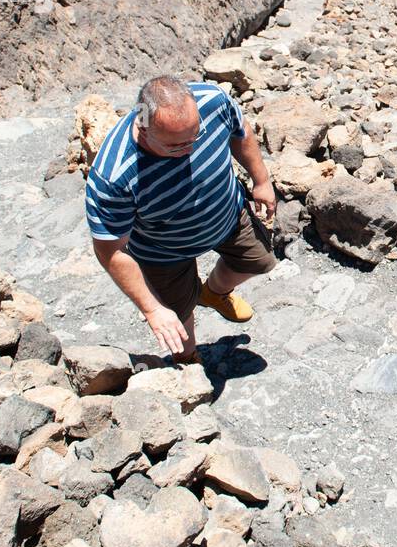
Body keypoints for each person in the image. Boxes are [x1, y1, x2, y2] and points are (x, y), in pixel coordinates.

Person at [85, 76, 277, 365]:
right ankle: (189, 360)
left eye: (195, 137)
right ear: (143, 127)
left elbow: (240, 131)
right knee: (177, 320)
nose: (189, 150)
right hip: (164, 253)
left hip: (227, 215)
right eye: (175, 147)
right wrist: (153, 310)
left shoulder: (211, 100)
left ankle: (213, 293)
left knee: (259, 261)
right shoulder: (114, 176)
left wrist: (261, 181)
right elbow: (110, 251)